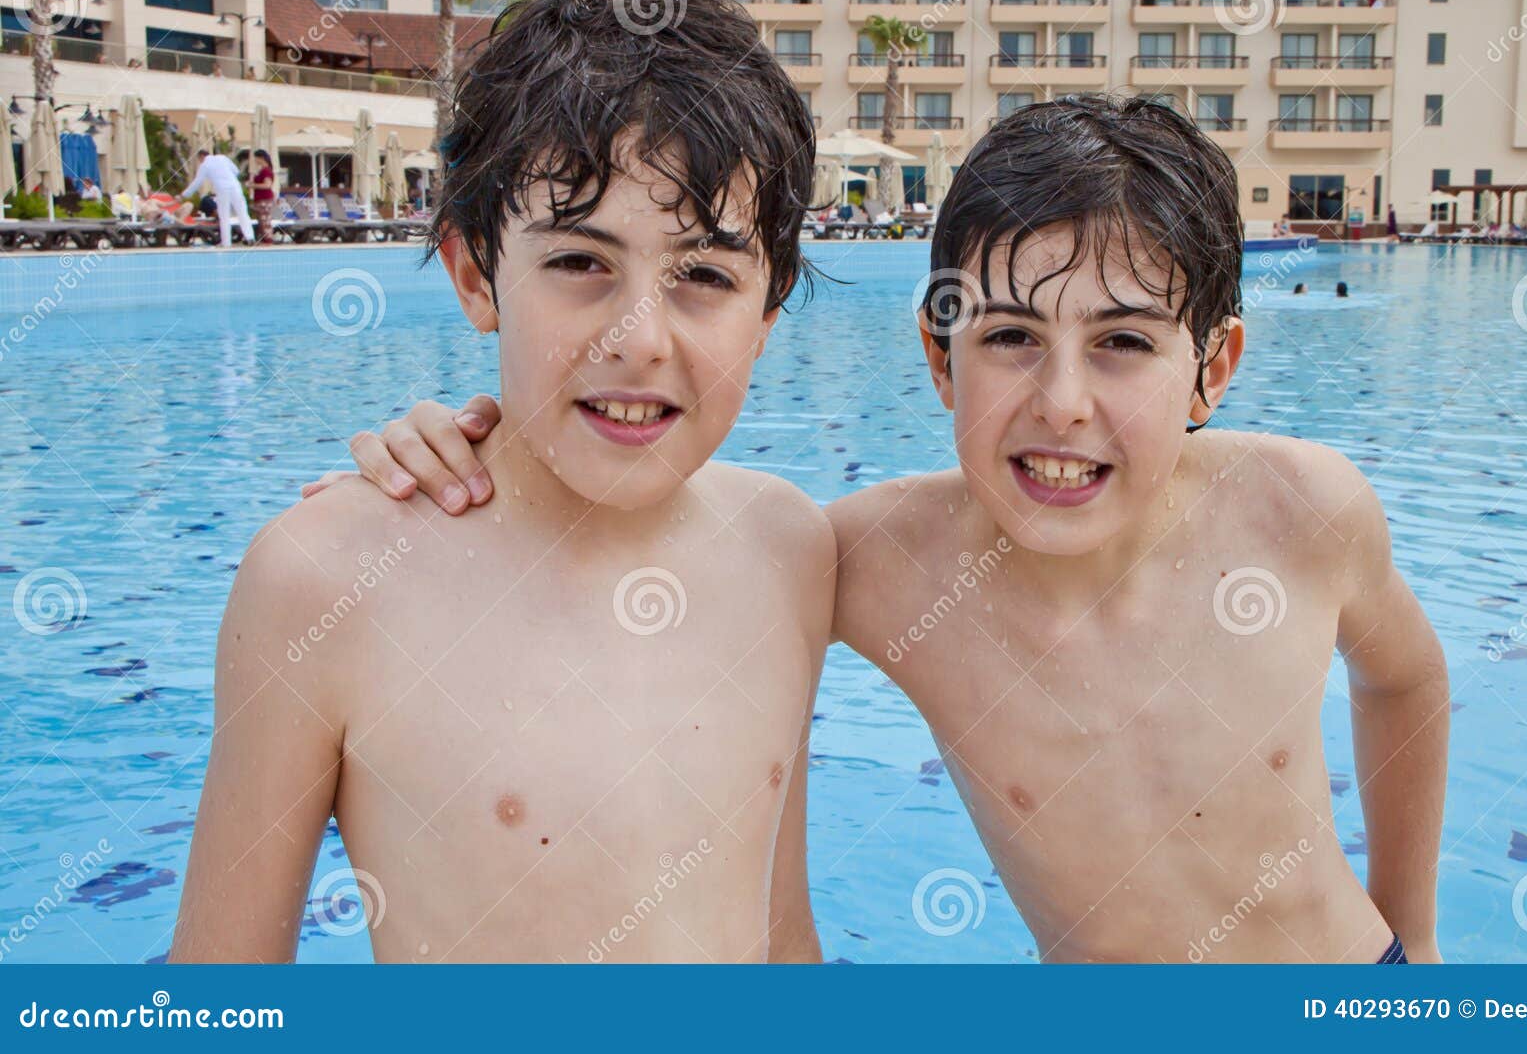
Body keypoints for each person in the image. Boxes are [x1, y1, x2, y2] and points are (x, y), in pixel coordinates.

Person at [333, 94, 1450, 964]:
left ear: (1211, 367)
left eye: (1122, 343)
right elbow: (628, 551)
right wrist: (461, 455)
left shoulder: (1300, 512)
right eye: (1010, 337)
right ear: (936, 352)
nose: (1062, 401)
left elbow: (1405, 682)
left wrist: (1417, 931)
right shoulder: (864, 562)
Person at [170, 0, 831, 964]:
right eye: (578, 262)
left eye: (702, 276)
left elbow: (780, 934)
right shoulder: (325, 580)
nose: (640, 340)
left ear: (766, 315)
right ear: (476, 274)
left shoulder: (790, 548)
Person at [178, 148, 254, 248]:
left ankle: (226, 242)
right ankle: (250, 237)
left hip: (222, 190)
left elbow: (197, 182)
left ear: (201, 157)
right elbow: (236, 171)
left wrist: (184, 195)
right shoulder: (223, 158)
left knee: (224, 216)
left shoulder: (204, 165)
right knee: (242, 213)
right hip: (235, 187)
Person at [247, 148, 276, 244]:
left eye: (256, 158)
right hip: (261, 199)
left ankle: (268, 240)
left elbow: (267, 185)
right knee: (262, 221)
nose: (255, 160)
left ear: (261, 158)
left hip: (265, 199)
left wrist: (252, 185)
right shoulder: (263, 170)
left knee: (265, 221)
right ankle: (265, 239)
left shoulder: (266, 171)